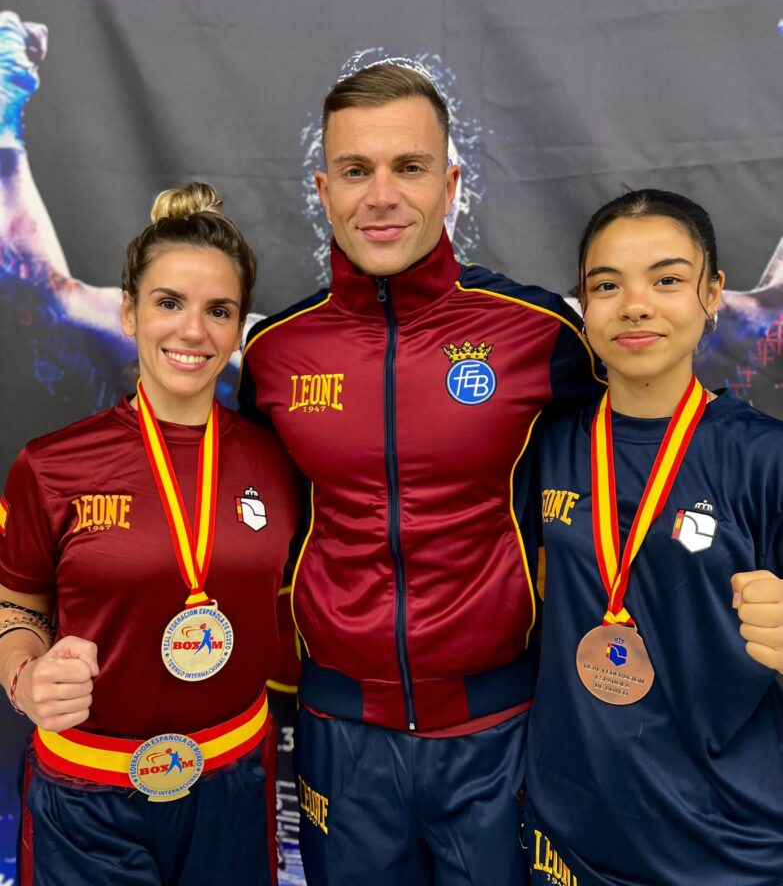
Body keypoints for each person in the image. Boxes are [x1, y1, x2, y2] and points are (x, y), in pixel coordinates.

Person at [239, 63, 604, 885]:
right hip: (339, 730)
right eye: (357, 171)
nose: (381, 196)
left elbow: (650, 445)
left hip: (500, 725)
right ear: (323, 188)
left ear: (451, 183)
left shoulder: (537, 333)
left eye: (407, 167)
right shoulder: (273, 354)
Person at [0, 182, 302, 886]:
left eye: (217, 311)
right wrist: (24, 677)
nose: (192, 331)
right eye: (169, 303)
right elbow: (15, 605)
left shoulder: (279, 459)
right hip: (87, 797)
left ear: (236, 329)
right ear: (131, 312)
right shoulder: (51, 466)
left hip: (232, 784)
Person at [524, 189, 783, 886]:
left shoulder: (764, 460)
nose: (634, 304)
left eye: (666, 279)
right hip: (566, 844)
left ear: (712, 294)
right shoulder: (540, 448)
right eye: (605, 285)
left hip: (726, 852)